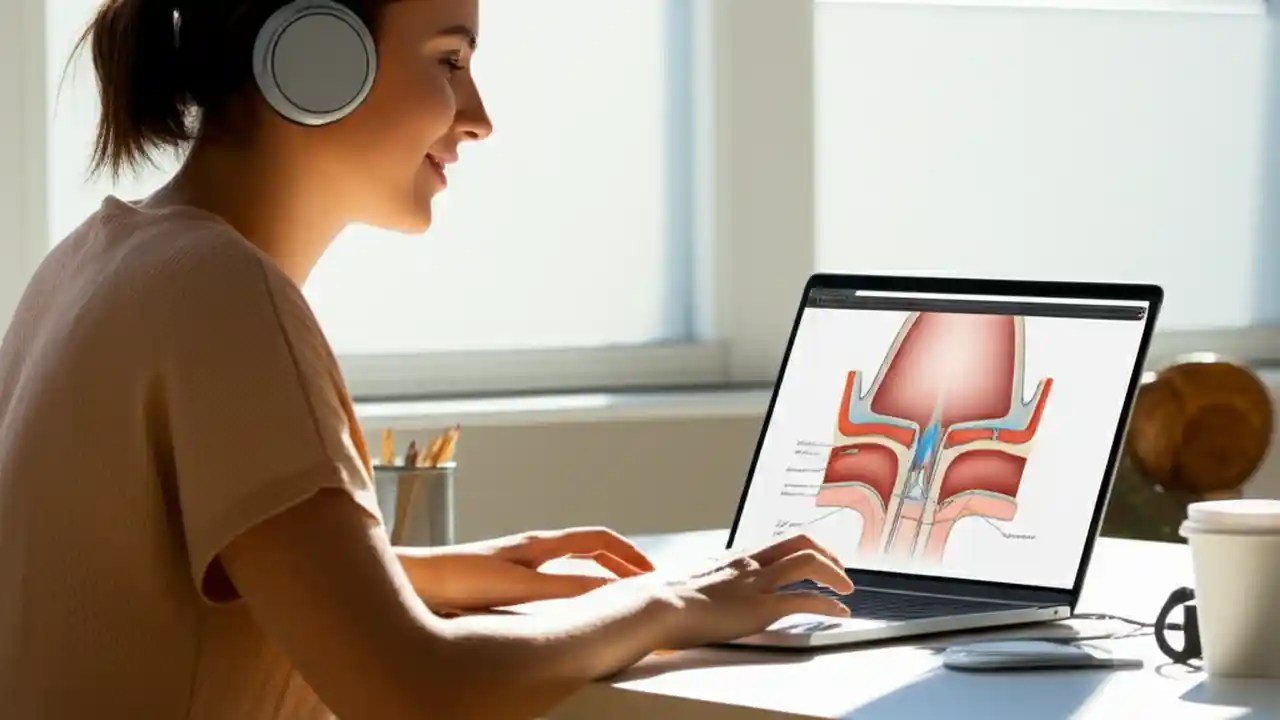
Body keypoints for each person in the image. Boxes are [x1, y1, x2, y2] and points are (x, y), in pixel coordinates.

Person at [0, 1, 854, 718]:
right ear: (315, 58)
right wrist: (668, 603)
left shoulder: (93, 262)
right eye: (449, 59)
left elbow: (140, 587)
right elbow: (408, 686)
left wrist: (450, 574)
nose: (478, 116)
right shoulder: (222, 291)